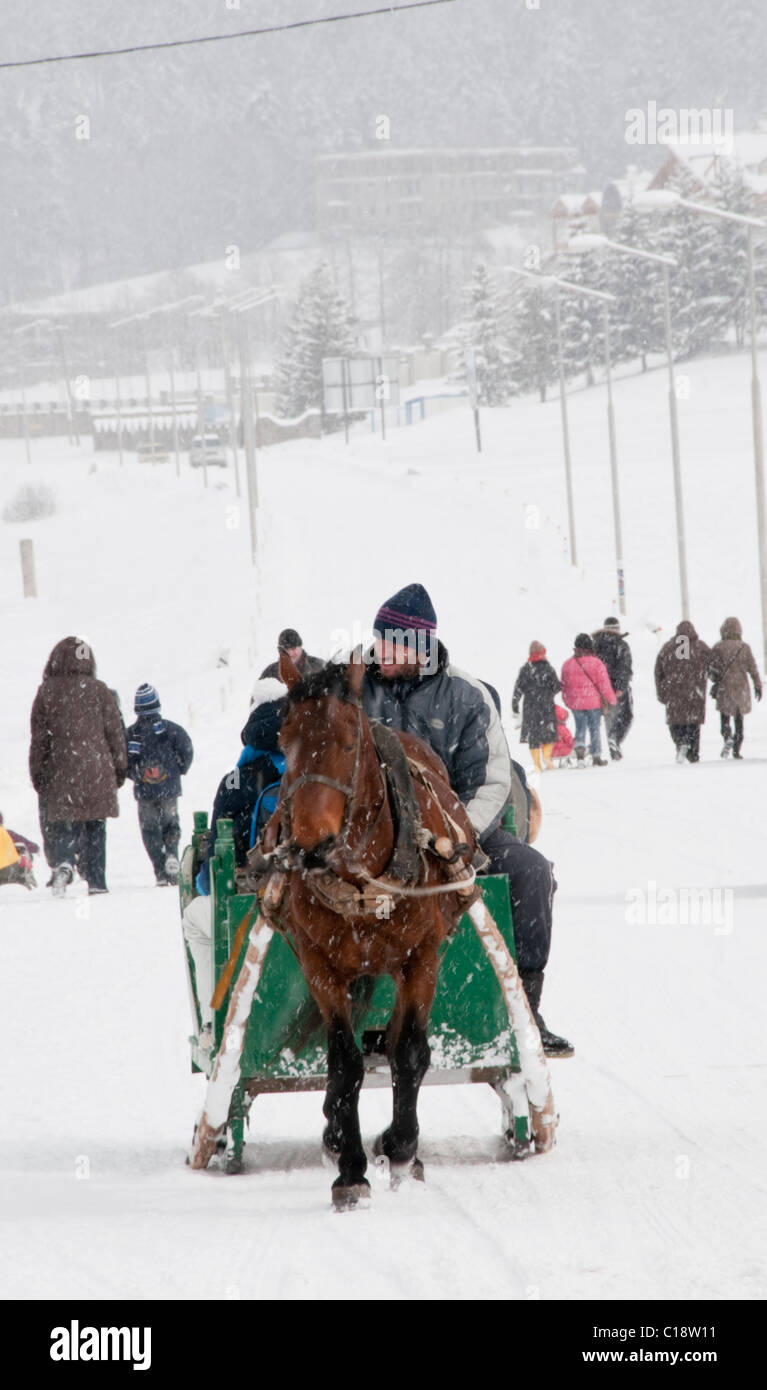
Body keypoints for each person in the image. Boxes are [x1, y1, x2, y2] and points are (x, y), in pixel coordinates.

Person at [358, 582, 572, 1057]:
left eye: (391, 641)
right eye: (378, 639)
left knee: (532, 872)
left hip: (452, 837)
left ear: (420, 646)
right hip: (371, 841)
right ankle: (364, 1015)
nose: (380, 650)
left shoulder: (466, 695)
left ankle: (525, 1007)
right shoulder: (353, 683)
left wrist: (454, 839)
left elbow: (492, 781)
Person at [182, 679, 286, 1049]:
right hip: (310, 903)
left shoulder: (233, 782)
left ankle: (213, 1023)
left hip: (249, 910)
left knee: (195, 918)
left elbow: (210, 878)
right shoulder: (312, 776)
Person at [29, 636, 127, 897]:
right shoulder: (100, 691)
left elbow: (39, 739)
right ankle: (96, 880)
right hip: (97, 771)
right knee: (95, 826)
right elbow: (116, 734)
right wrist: (119, 770)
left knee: (61, 823)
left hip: (61, 770)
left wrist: (38, 774)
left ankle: (64, 863)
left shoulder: (47, 692)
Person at [125, 684, 194, 886]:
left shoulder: (131, 735)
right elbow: (187, 750)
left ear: (137, 708)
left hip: (144, 792)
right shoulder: (172, 730)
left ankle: (160, 870)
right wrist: (179, 770)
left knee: (150, 830)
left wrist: (136, 774)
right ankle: (172, 854)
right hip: (169, 790)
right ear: (157, 705)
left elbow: (123, 762)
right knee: (171, 824)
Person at [654, 620, 711, 763]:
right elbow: (714, 664)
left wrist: (661, 692)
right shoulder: (700, 647)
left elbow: (658, 671)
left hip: (674, 693)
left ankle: (680, 743)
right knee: (693, 724)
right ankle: (693, 754)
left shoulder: (667, 648)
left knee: (676, 722)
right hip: (695, 693)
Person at [708, 617, 762, 759]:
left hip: (724, 689)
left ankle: (727, 737)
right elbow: (753, 669)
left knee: (724, 718)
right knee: (739, 721)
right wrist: (758, 685)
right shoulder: (744, 647)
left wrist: (715, 679)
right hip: (741, 689)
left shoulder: (718, 647)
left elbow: (712, 670)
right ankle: (736, 750)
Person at [560, 633, 617, 766]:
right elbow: (604, 684)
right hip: (593, 703)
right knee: (594, 728)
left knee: (580, 728)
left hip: (576, 703)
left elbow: (564, 686)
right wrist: (612, 700)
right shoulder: (597, 663)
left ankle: (580, 755)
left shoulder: (568, 664)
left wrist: (567, 700)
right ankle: (596, 756)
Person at [511, 640, 561, 771]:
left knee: (533, 735)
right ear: (542, 653)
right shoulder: (548, 668)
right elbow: (556, 686)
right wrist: (549, 692)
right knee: (549, 732)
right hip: (546, 704)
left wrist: (515, 703)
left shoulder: (526, 669)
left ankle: (537, 764)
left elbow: (518, 688)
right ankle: (546, 756)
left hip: (530, 705)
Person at [592, 617, 633, 760]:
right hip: (617, 688)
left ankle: (612, 743)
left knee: (609, 718)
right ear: (617, 628)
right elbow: (625, 667)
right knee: (625, 716)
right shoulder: (621, 645)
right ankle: (615, 739)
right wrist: (621, 687)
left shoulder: (595, 644)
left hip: (599, 689)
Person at [260, 628, 324, 683]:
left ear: (300, 647)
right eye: (286, 650)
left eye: (293, 649)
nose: (290, 654)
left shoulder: (319, 666)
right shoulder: (270, 673)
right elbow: (258, 696)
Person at [0, 813, 39, 889]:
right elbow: (32, 847)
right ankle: (24, 876)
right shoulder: (7, 833)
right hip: (11, 871)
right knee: (22, 850)